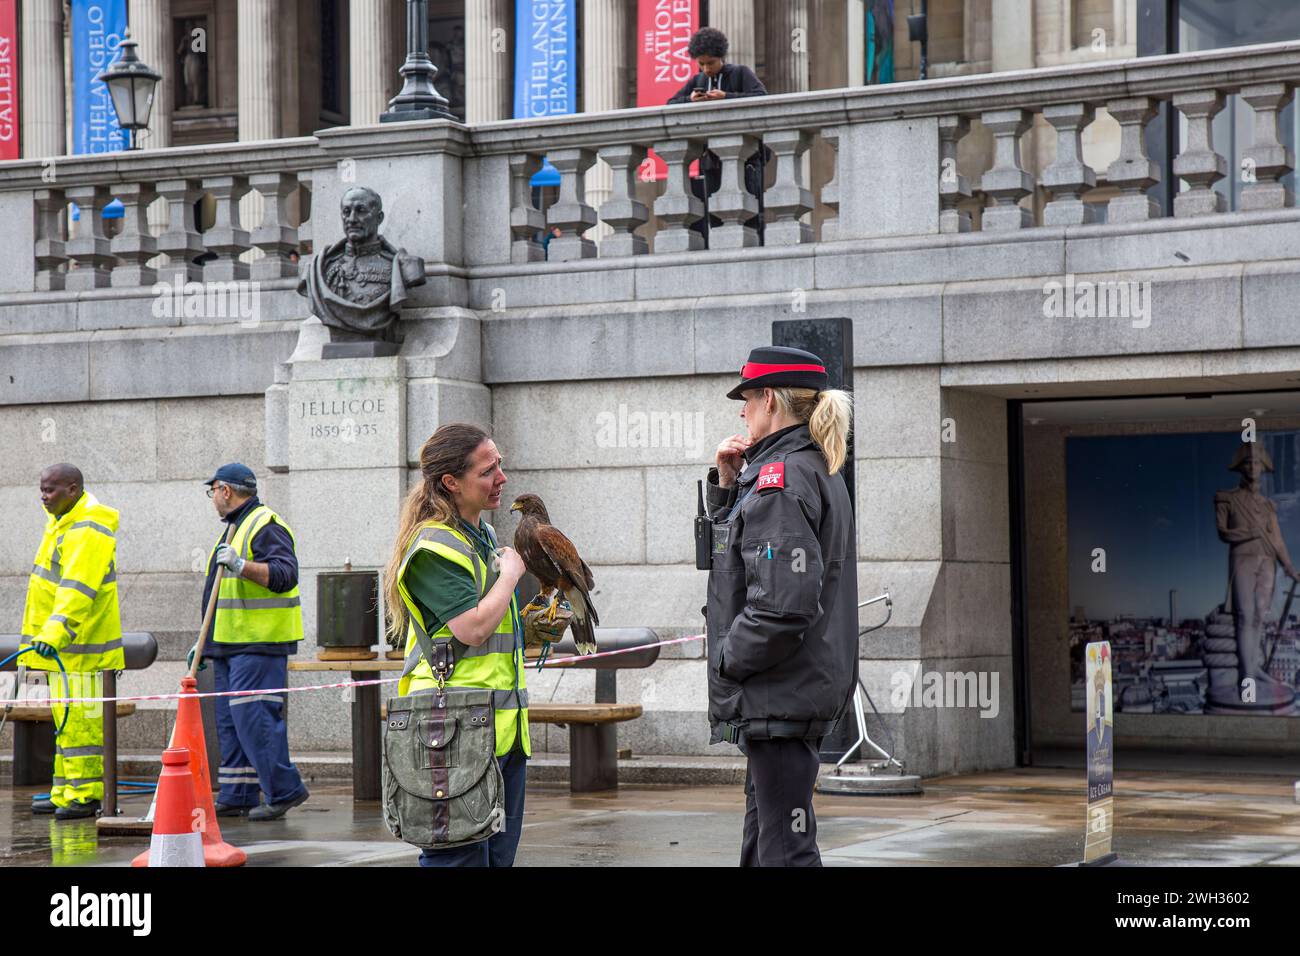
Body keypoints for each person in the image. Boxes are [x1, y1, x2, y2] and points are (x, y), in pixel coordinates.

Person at [382, 423, 568, 867]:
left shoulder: (480, 536)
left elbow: (492, 631)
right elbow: (471, 629)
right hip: (451, 736)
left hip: (500, 735)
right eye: (488, 470)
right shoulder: (434, 547)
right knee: (458, 862)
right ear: (451, 482)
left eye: (499, 464)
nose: (502, 477)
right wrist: (511, 575)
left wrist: (532, 625)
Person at [703, 346, 858, 866]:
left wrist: (727, 658)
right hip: (787, 692)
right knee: (765, 843)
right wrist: (726, 490)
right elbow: (734, 567)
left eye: (745, 400)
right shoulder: (802, 469)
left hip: (780, 692)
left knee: (785, 851)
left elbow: (783, 606)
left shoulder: (782, 478)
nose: (741, 413)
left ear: (768, 399)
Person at [194, 463, 309, 820]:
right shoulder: (235, 527)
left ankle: (284, 790)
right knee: (230, 721)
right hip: (230, 643)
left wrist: (242, 565)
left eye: (212, 490)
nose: (212, 498)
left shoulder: (264, 525)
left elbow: (285, 575)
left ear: (225, 490)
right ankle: (238, 791)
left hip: (258, 643)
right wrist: (205, 643)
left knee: (254, 718)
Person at [23, 463, 123, 820]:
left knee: (83, 726)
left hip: (83, 649)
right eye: (42, 489)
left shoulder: (87, 528)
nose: (43, 497)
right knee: (66, 724)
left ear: (73, 489)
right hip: (67, 650)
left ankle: (85, 795)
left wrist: (53, 633)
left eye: (51, 490)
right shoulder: (63, 523)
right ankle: (65, 790)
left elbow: (77, 591)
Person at [667, 27, 771, 243]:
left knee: (751, 212)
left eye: (710, 63)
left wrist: (727, 97)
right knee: (713, 214)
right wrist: (690, 101)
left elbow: (761, 98)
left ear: (721, 57)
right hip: (711, 159)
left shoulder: (740, 73)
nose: (706, 69)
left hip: (747, 159)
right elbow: (670, 104)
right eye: (701, 63)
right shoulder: (697, 81)